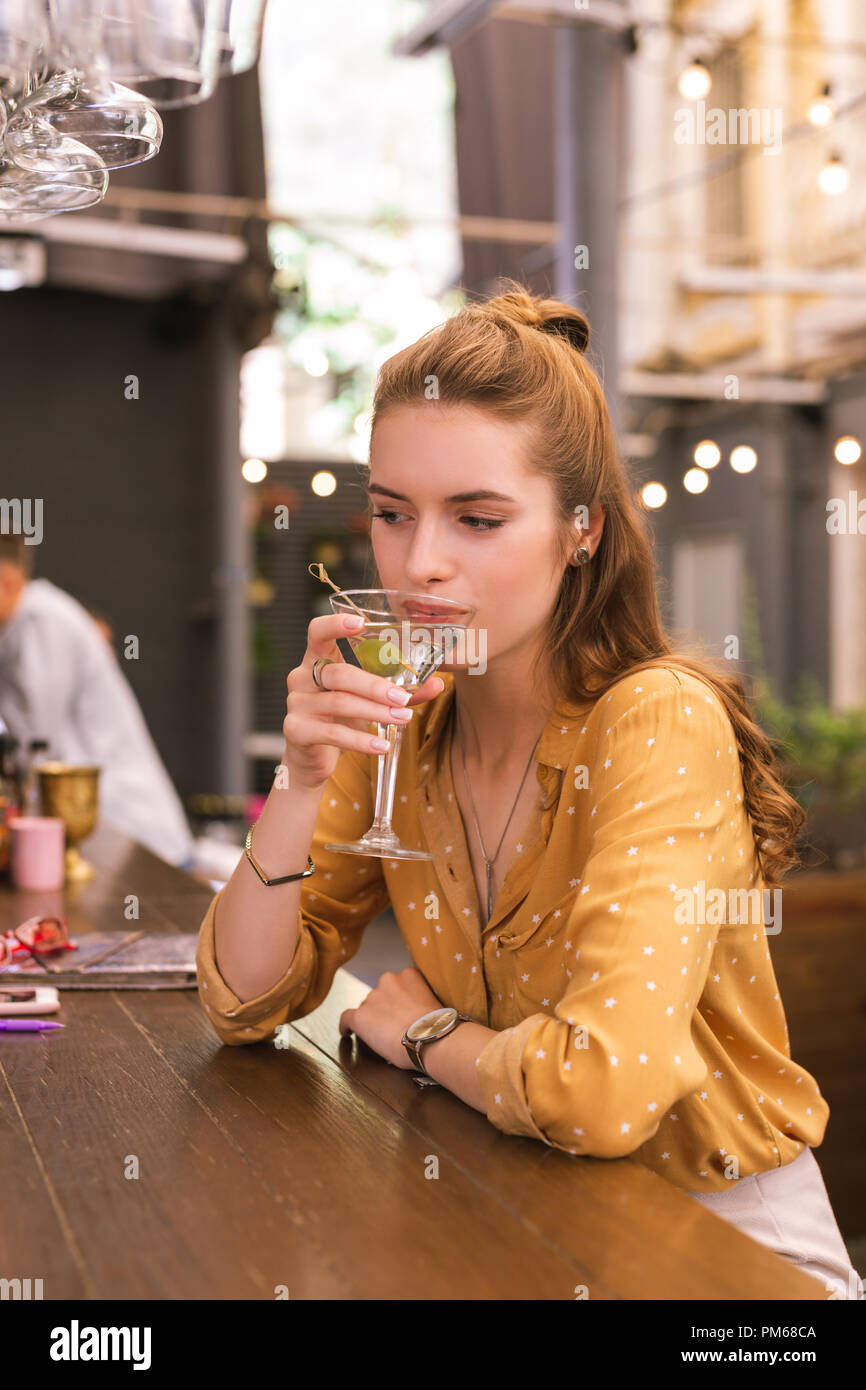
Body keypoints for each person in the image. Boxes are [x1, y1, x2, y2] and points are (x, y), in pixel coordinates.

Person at [195, 280, 862, 1300]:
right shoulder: (404, 720)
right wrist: (300, 778)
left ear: (579, 529)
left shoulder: (651, 720)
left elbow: (601, 1091)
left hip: (719, 1246)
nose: (420, 563)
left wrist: (424, 1035)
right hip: (518, 1210)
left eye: (476, 518)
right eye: (390, 512)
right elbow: (243, 1000)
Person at [0, 534, 196, 869]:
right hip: (99, 835)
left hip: (129, 831)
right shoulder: (18, 627)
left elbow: (37, 745)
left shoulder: (43, 621)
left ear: (7, 581)